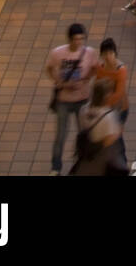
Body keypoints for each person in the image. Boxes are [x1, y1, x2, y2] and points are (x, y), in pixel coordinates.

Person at [45, 23, 99, 175]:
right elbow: (49, 68)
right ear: (69, 39)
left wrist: (86, 80)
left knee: (83, 133)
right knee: (60, 135)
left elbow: (95, 68)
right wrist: (58, 81)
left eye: (81, 39)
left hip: (82, 99)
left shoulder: (89, 53)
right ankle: (56, 167)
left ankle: (84, 162)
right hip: (64, 100)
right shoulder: (58, 53)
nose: (79, 42)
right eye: (76, 39)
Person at [70, 78, 127, 177]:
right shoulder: (109, 115)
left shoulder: (84, 109)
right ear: (106, 96)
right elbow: (108, 140)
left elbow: (82, 126)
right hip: (102, 156)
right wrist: (118, 132)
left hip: (86, 150)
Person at [97, 38, 129, 123]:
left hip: (119, 108)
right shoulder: (100, 67)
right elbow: (98, 87)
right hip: (103, 109)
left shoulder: (121, 70)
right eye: (104, 54)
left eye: (110, 53)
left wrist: (103, 106)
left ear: (115, 54)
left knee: (117, 135)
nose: (107, 57)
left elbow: (118, 93)